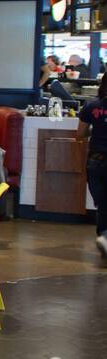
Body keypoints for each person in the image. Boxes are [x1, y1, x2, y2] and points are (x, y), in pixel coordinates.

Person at [76, 72, 107, 258]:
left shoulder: (92, 106)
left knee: (103, 204)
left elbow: (80, 134)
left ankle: (104, 238)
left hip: (97, 160)